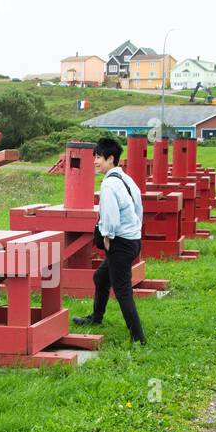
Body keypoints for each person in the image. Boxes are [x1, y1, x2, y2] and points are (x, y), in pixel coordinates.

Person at [73, 136, 147, 345]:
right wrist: (134, 229)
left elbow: (110, 215)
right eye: (94, 157)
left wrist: (107, 236)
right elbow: (138, 206)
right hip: (132, 240)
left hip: (120, 243)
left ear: (111, 158)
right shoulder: (126, 179)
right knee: (101, 277)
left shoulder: (108, 185)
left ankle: (138, 338)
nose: (95, 161)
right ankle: (96, 318)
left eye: (98, 157)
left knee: (123, 291)